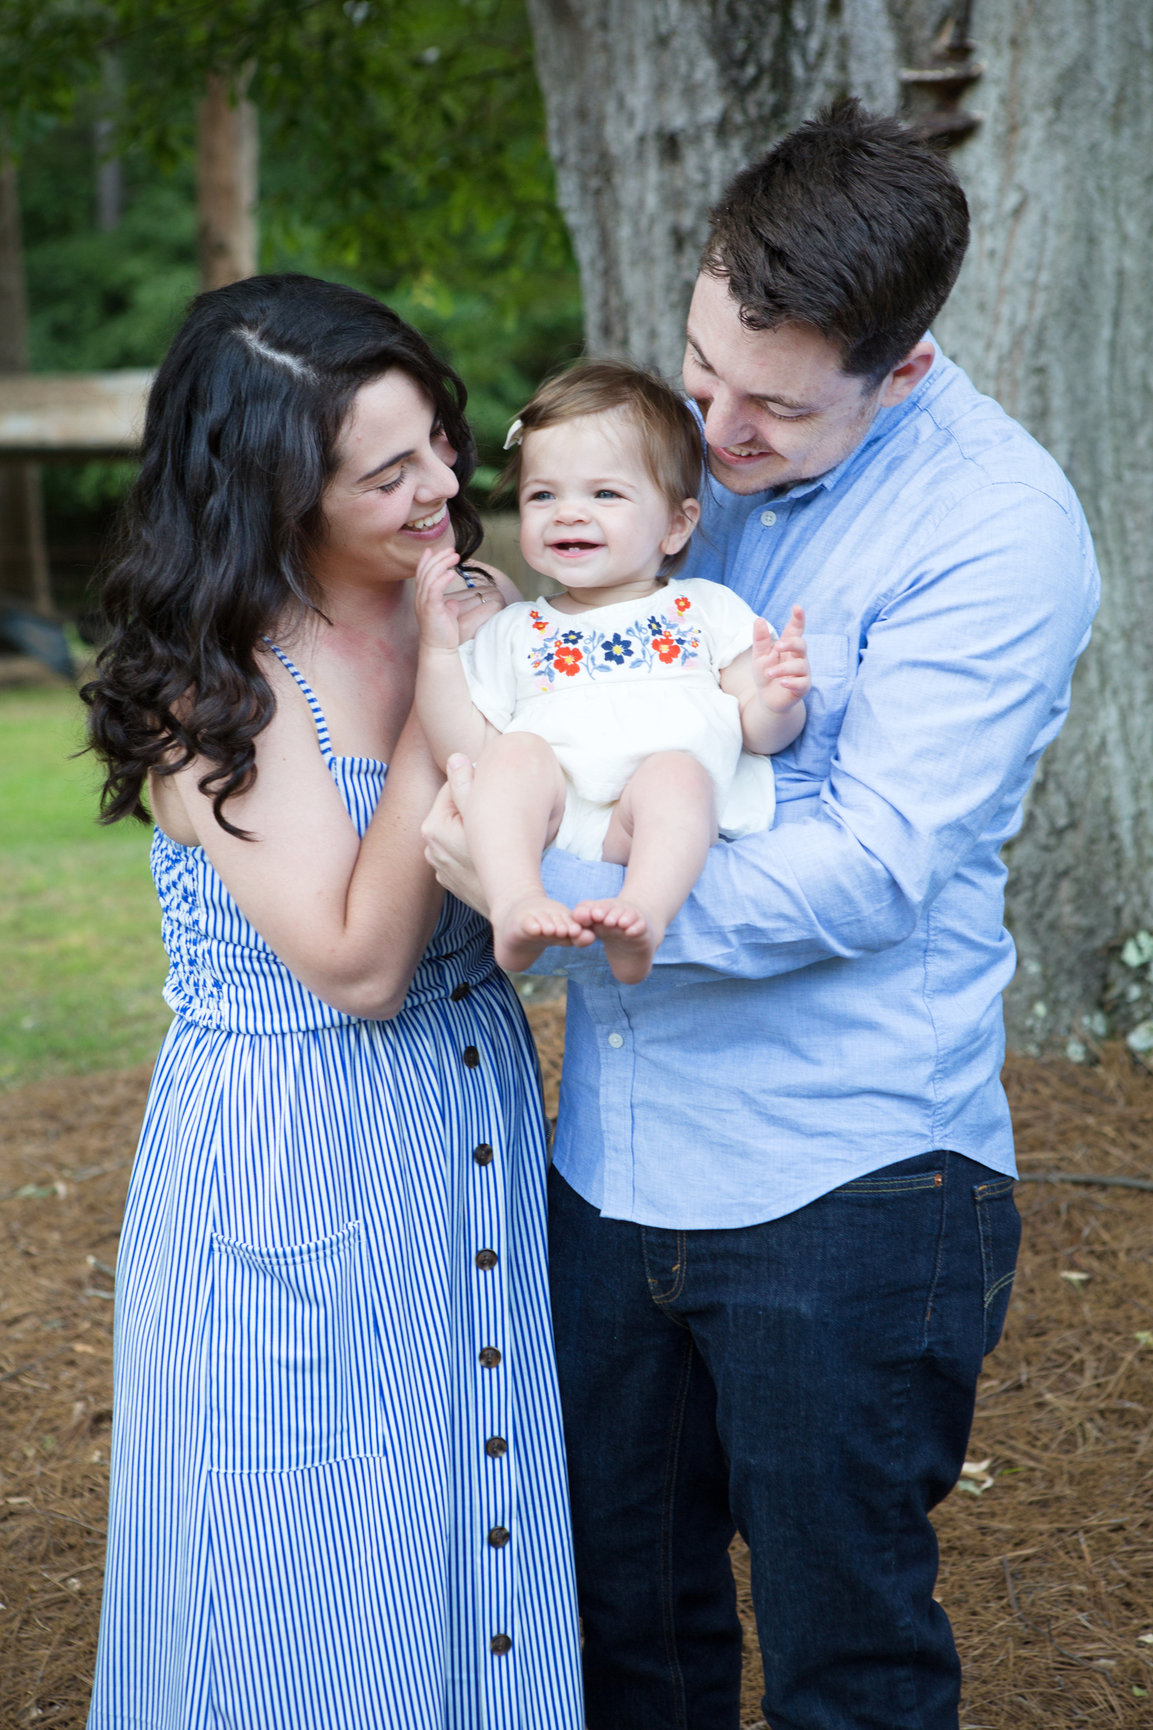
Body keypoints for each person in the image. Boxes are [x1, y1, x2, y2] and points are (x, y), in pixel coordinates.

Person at [422, 100, 1101, 1730]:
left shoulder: (999, 533)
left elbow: (869, 864)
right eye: (699, 369)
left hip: (846, 1180)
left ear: (903, 368)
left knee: (841, 1658)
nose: (714, 431)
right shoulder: (685, 453)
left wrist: (560, 894)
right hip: (610, 1167)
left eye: (775, 409)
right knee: (623, 1634)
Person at [82, 273, 583, 1730]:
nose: (444, 485)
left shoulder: (478, 600)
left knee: (465, 1540)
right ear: (272, 490)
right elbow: (360, 962)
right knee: (295, 1590)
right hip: (289, 1158)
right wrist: (451, 684)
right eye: (389, 470)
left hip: (465, 1122)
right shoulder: (213, 687)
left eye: (440, 437)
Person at [412, 360, 811, 984]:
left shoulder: (702, 609)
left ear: (677, 525)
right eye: (543, 495)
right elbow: (468, 750)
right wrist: (438, 653)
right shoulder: (516, 630)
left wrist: (779, 700)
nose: (567, 513)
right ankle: (517, 901)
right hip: (558, 818)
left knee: (679, 773)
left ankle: (643, 913)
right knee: (514, 755)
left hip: (656, 826)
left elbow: (757, 733)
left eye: (605, 494)